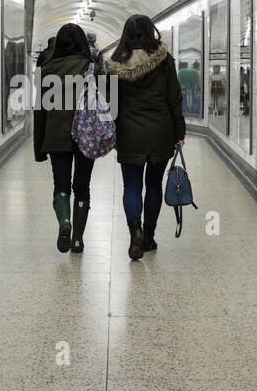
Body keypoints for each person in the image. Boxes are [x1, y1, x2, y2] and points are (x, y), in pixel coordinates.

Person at [106, 15, 186, 260]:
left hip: (130, 132)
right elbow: (174, 99)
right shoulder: (165, 61)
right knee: (153, 185)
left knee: (131, 186)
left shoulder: (115, 64)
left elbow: (111, 105)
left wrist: (114, 133)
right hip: (160, 130)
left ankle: (135, 233)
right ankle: (149, 237)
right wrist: (179, 132)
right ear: (151, 32)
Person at [33, 23, 96, 253]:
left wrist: (39, 147)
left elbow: (39, 111)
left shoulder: (47, 70)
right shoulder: (92, 68)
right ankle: (78, 239)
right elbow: (108, 104)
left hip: (56, 135)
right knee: (82, 188)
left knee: (61, 186)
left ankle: (65, 223)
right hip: (86, 136)